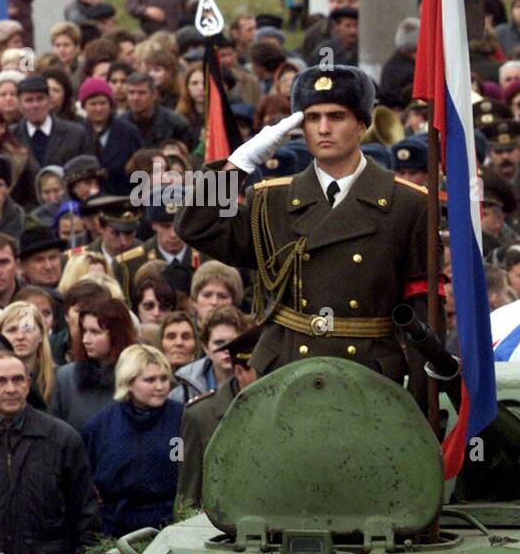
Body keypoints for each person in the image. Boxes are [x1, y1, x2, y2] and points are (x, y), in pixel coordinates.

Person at [176, 65, 434, 411]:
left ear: (362, 123)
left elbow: (423, 312)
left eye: (337, 116)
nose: (324, 128)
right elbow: (196, 225)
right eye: (312, 118)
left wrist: (419, 408)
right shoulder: (272, 200)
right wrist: (238, 164)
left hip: (368, 378)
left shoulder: (407, 203)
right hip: (287, 372)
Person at [0, 350, 99, 554]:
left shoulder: (62, 439)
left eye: (18, 379)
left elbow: (85, 517)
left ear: (28, 383)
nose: (10, 389)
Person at [81, 343, 183, 537]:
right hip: (115, 528)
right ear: (128, 382)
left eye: (164, 379)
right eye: (150, 380)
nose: (160, 386)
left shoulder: (182, 418)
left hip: (170, 525)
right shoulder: (100, 425)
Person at [176, 323, 260, 514]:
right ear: (239, 372)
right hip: (217, 530)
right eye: (261, 372)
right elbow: (188, 492)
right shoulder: (200, 415)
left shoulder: (281, 409)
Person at [50, 296, 135, 432]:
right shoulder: (66, 378)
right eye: (84, 331)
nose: (85, 340)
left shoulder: (138, 376)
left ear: (116, 334)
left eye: (95, 332)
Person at [13, 75, 94, 169]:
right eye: (29, 100)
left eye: (40, 99)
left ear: (49, 101)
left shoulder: (76, 134)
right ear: (19, 105)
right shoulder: (12, 137)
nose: (35, 105)